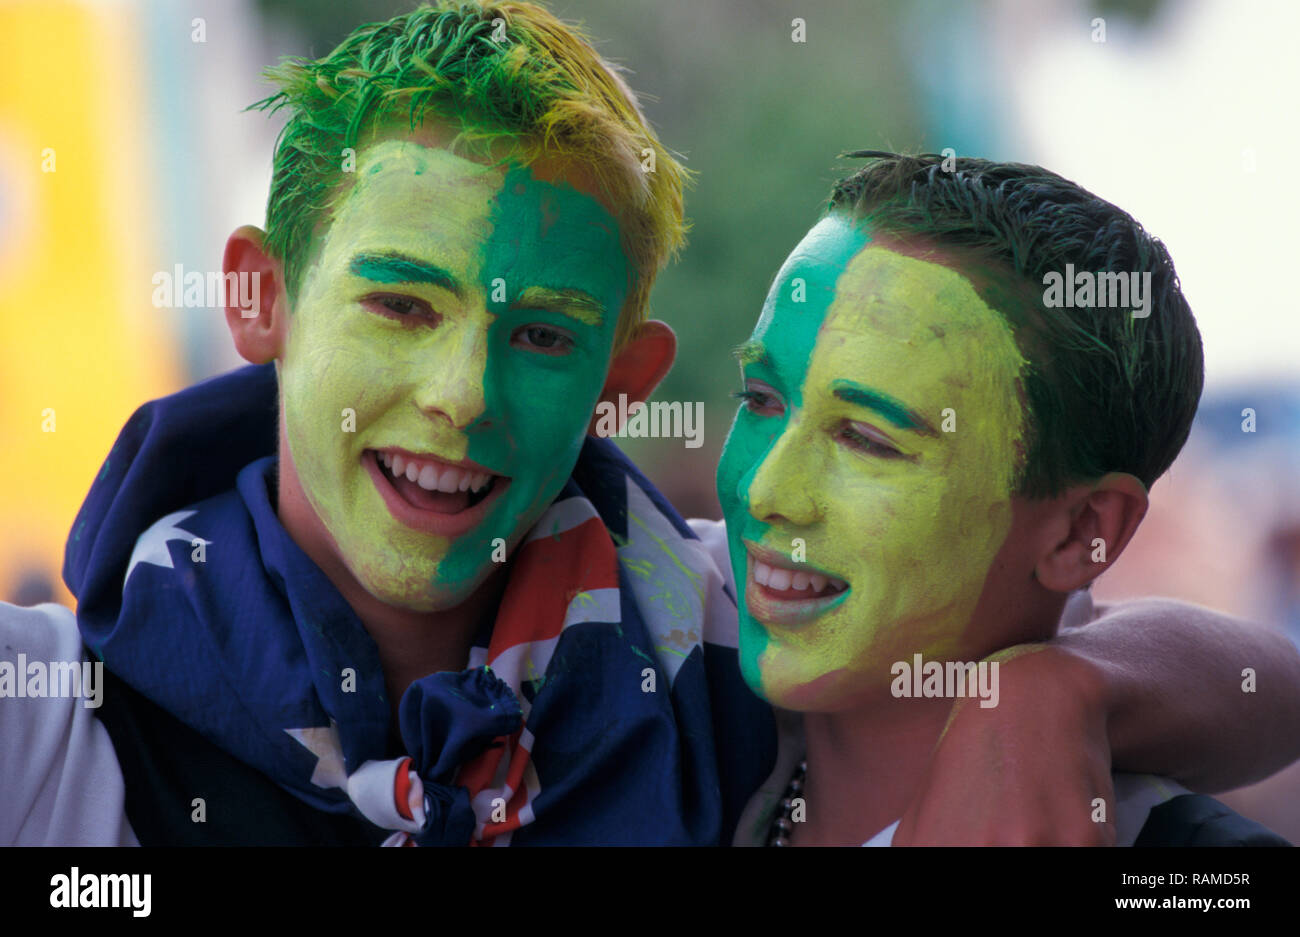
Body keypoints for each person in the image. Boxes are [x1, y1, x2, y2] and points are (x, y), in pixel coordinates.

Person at [2, 3, 1299, 847]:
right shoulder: (58, 719)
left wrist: (1053, 690)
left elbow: (1252, 681)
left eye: (545, 335)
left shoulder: (719, 640)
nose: (461, 394)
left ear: (625, 380)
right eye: (401, 305)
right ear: (260, 297)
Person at [716, 151, 1293, 846]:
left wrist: (1062, 688)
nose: (764, 488)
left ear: (1080, 532)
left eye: (867, 438)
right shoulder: (664, 635)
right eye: (761, 400)